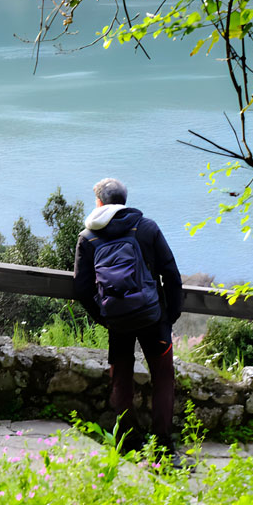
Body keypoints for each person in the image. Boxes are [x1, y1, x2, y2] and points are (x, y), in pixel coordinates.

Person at [72, 176, 183, 453]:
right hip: (153, 317)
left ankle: (129, 441)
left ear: (99, 203)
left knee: (121, 377)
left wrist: (105, 316)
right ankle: (162, 445)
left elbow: (82, 289)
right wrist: (169, 315)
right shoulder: (146, 227)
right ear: (124, 201)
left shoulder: (88, 237)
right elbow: (171, 273)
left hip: (118, 320)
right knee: (163, 377)